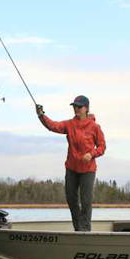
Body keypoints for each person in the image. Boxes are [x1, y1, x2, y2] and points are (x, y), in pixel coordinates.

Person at [36, 95, 106, 232]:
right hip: (72, 168)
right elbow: (53, 126)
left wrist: (91, 154)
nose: (76, 109)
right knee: (71, 199)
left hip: (88, 170)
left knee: (86, 201)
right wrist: (41, 115)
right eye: (74, 106)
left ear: (86, 108)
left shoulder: (95, 127)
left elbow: (102, 147)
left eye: (79, 106)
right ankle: (78, 229)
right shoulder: (69, 124)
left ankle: (85, 230)